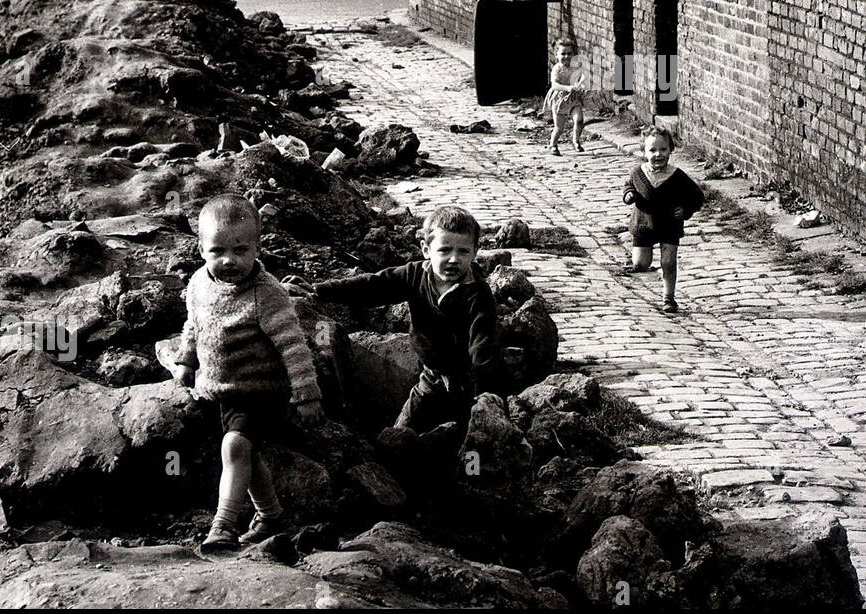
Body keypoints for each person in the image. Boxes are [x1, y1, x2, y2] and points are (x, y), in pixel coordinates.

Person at [174, 195, 324, 554]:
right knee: (248, 457)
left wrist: (308, 393)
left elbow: (294, 345)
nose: (229, 260)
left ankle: (223, 526)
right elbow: (194, 324)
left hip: (260, 390)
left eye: (241, 250)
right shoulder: (198, 283)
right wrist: (186, 361)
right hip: (220, 389)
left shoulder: (266, 294)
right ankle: (271, 516)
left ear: (258, 247)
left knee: (236, 446)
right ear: (201, 249)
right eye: (218, 251)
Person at [297, 205, 502, 433]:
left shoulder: (477, 293)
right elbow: (373, 286)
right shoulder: (415, 275)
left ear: (475, 252)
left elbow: (482, 346)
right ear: (426, 249)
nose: (454, 259)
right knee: (401, 433)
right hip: (431, 376)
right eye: (445, 250)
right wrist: (321, 290)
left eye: (463, 252)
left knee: (471, 438)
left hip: (467, 381)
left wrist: (484, 394)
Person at [622, 127, 704, 313]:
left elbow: (697, 196)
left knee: (668, 262)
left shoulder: (677, 176)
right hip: (644, 224)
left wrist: (685, 210)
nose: (658, 154)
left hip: (669, 225)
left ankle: (669, 298)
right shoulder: (638, 173)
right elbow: (629, 186)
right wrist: (628, 195)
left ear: (670, 149)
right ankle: (639, 263)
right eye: (652, 150)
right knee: (641, 263)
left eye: (663, 149)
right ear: (644, 151)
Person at [544, 36, 586, 156]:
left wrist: (581, 84)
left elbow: (582, 77)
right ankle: (553, 144)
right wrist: (567, 88)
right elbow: (555, 85)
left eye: (569, 53)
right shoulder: (557, 69)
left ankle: (576, 140)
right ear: (556, 55)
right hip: (560, 99)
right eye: (563, 54)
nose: (566, 57)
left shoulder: (575, 67)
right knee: (559, 127)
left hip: (573, 99)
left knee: (579, 120)